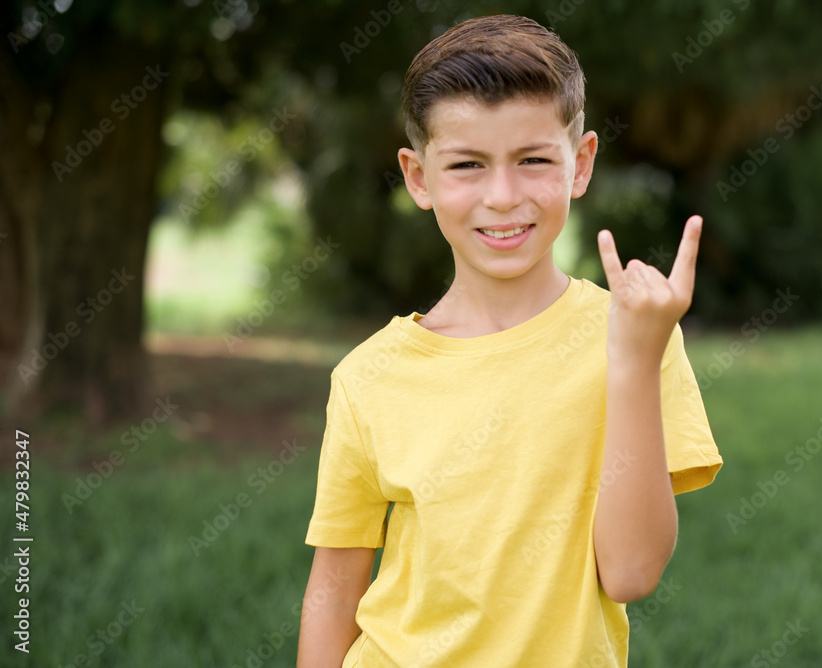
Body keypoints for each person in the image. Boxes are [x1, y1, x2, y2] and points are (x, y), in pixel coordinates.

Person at [297, 14, 723, 667]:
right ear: (418, 178)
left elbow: (631, 572)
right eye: (467, 164)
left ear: (580, 165)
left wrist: (635, 360)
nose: (503, 196)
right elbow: (334, 586)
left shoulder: (638, 338)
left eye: (532, 160)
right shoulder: (369, 377)